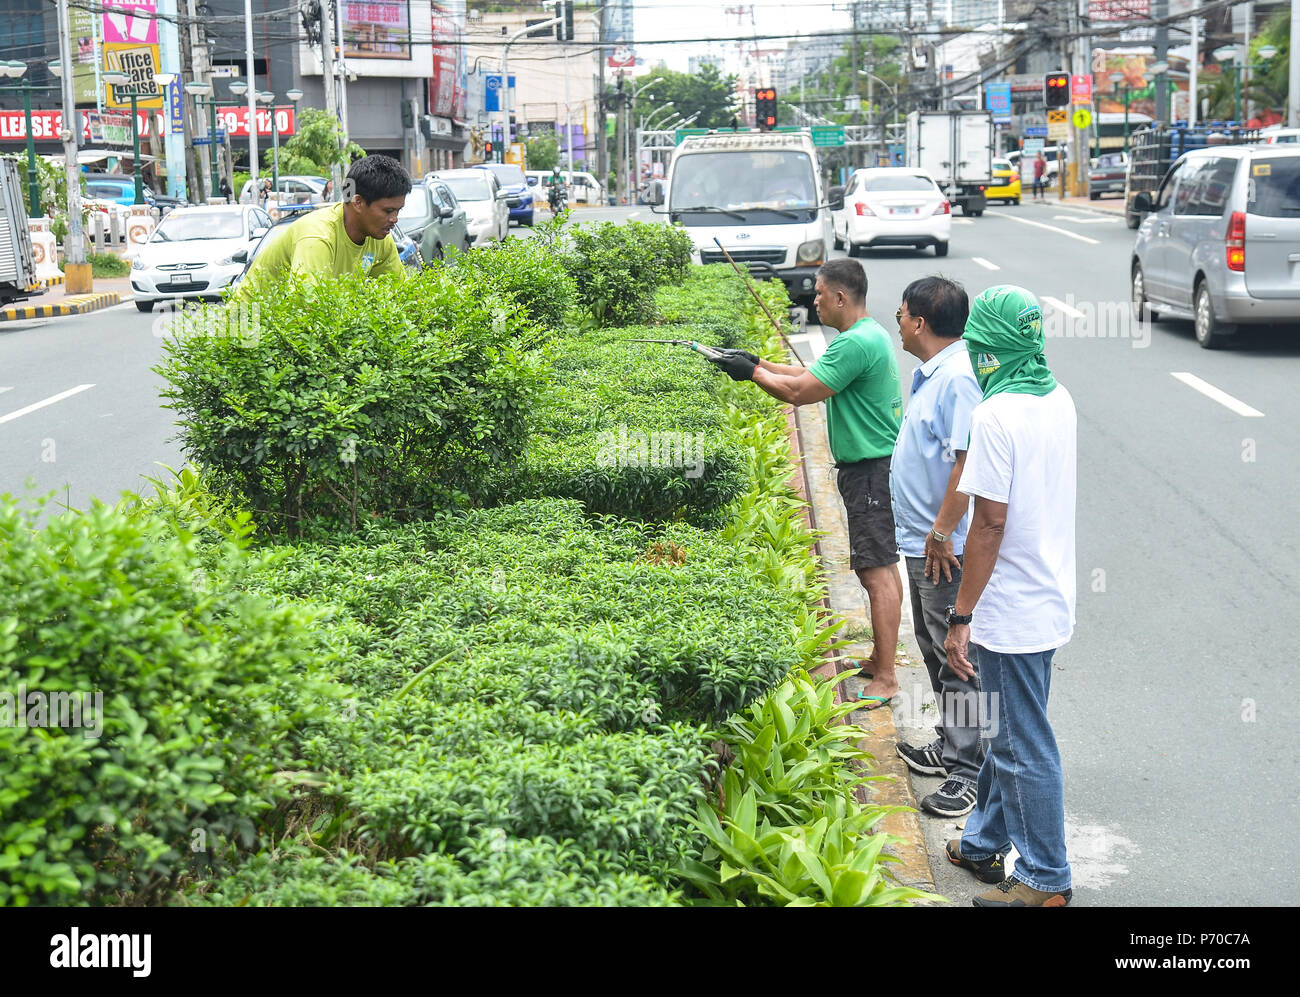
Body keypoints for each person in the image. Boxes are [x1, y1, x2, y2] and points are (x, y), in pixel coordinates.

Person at [707, 258, 904, 709]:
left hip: (871, 471)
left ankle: (889, 677)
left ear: (840, 297)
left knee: (875, 572)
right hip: (873, 468)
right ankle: (881, 658)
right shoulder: (863, 337)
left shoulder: (855, 344)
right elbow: (806, 375)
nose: (813, 300)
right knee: (880, 565)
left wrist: (751, 375)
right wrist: (757, 361)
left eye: (818, 293)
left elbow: (798, 393)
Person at [941, 284, 1077, 907]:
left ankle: (1046, 880)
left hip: (1011, 605)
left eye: (978, 347)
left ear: (989, 347)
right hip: (1049, 595)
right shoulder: (1058, 398)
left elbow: (989, 524)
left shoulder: (994, 416)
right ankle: (980, 843)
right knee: (1010, 731)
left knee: (1022, 746)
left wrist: (960, 617)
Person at [889, 276, 985, 818]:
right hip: (924, 540)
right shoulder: (934, 374)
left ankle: (970, 771)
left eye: (901, 314)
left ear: (920, 323)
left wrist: (944, 532)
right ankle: (952, 746)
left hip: (943, 547)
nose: (897, 322)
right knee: (931, 644)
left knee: (957, 656)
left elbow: (966, 461)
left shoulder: (957, 380)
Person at [239, 154, 411, 287]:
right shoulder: (317, 237)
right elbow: (307, 310)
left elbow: (401, 296)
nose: (394, 219)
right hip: (248, 326)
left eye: (398, 210)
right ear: (358, 202)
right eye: (388, 211)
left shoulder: (380, 239)